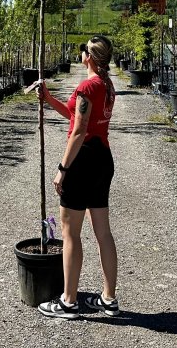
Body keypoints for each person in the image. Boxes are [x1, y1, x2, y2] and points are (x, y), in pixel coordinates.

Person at [31, 35, 120, 320]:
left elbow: (79, 131)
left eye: (83, 50)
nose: (80, 53)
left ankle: (68, 302)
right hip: (102, 159)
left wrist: (62, 168)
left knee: (70, 234)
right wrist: (48, 98)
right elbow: (74, 116)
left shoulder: (87, 85)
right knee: (103, 232)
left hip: (82, 162)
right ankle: (108, 298)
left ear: (90, 57)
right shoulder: (106, 85)